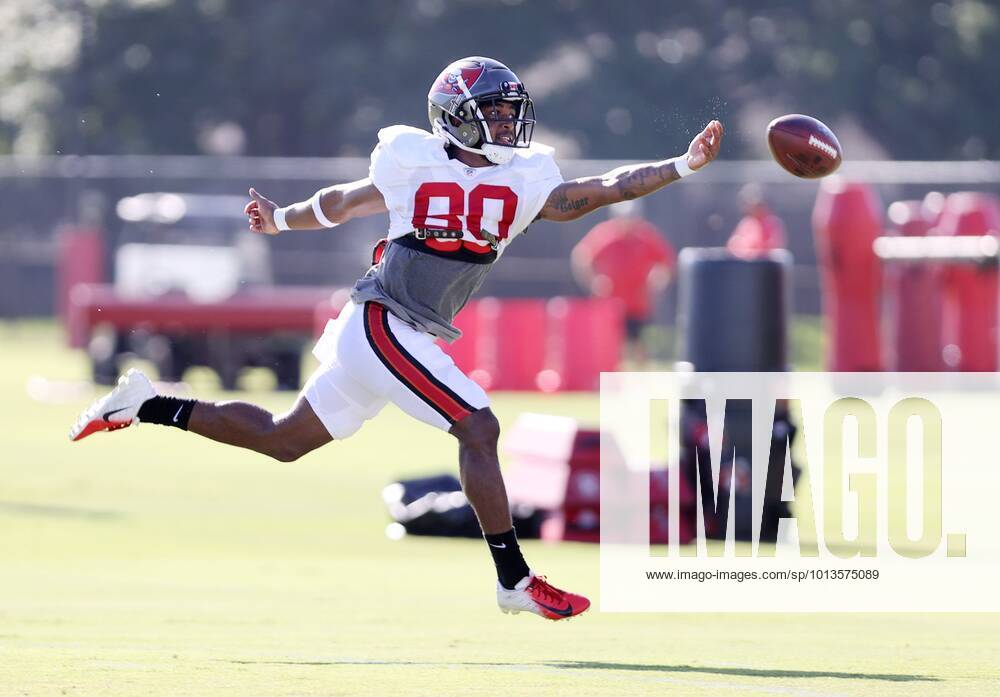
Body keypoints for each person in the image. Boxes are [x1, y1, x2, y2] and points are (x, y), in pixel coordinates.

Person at [69, 56, 724, 621]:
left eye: (510, 112)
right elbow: (341, 201)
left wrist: (682, 164)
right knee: (478, 426)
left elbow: (602, 189)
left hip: (404, 331)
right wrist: (280, 219)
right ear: (456, 116)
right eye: (494, 112)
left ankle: (144, 403)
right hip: (382, 320)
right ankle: (514, 579)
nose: (507, 124)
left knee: (282, 439)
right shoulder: (411, 162)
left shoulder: (523, 178)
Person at [571, 200, 676, 365]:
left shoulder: (645, 235)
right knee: (610, 345)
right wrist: (594, 281)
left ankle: (639, 376)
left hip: (637, 303)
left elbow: (666, 261)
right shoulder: (605, 234)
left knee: (638, 344)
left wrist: (658, 280)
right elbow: (581, 257)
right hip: (610, 303)